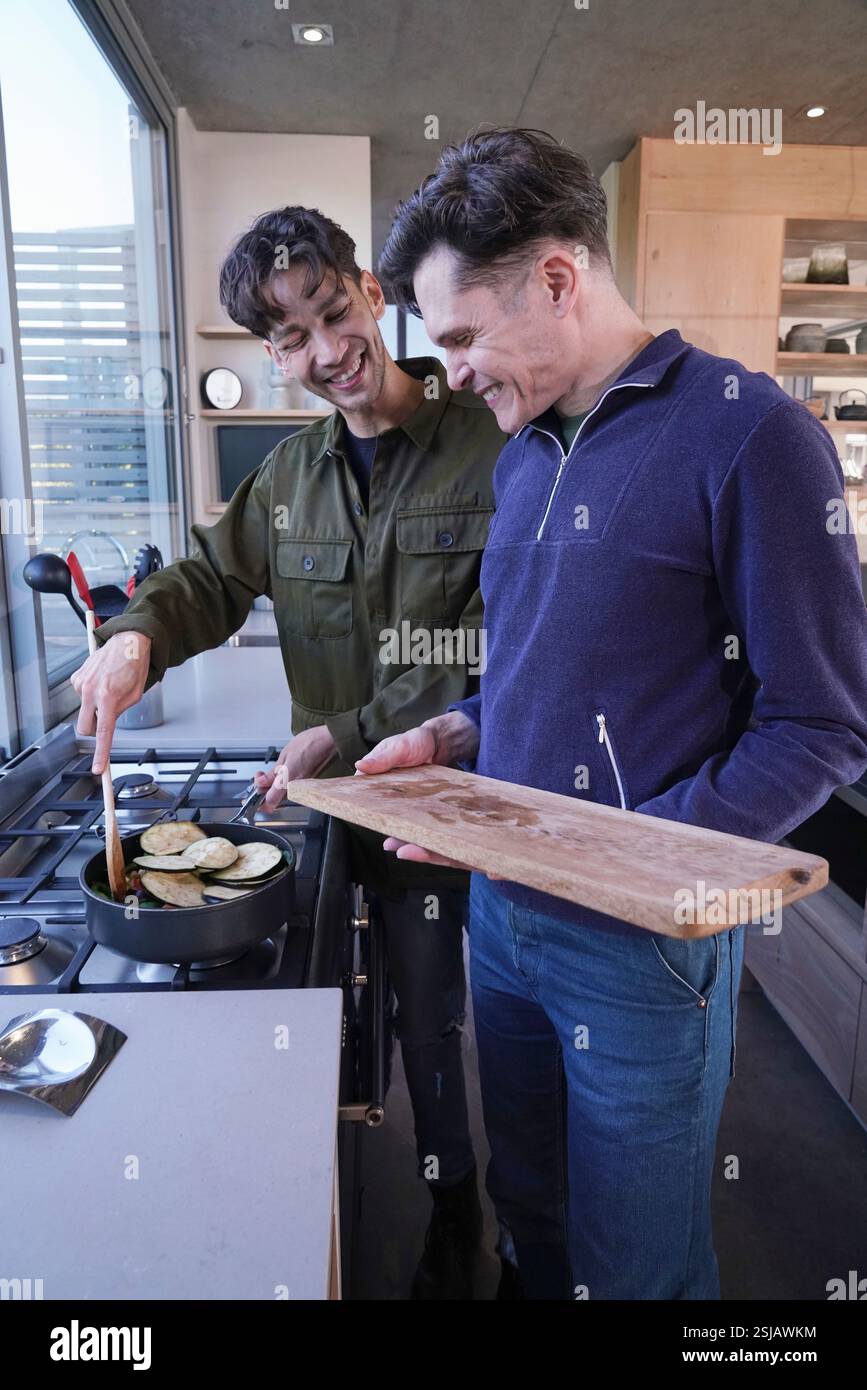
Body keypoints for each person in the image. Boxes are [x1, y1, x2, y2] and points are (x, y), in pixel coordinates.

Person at [354, 128, 867, 1299]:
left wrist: (609, 857)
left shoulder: (753, 436)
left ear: (555, 278)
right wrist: (451, 734)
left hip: (641, 949)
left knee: (640, 1265)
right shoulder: (525, 451)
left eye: (464, 337)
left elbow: (821, 724)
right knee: (529, 1216)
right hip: (504, 924)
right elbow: (536, 676)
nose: (456, 372)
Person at [71, 205, 509, 1299]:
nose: (326, 352)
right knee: (322, 999)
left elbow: (501, 644)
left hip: (447, 802)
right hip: (326, 807)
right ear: (269, 353)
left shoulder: (487, 442)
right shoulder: (289, 476)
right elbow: (210, 581)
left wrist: (351, 733)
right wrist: (134, 640)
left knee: (438, 1011)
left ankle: (459, 1208)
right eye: (293, 338)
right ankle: (305, 1204)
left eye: (332, 311)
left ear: (370, 288)